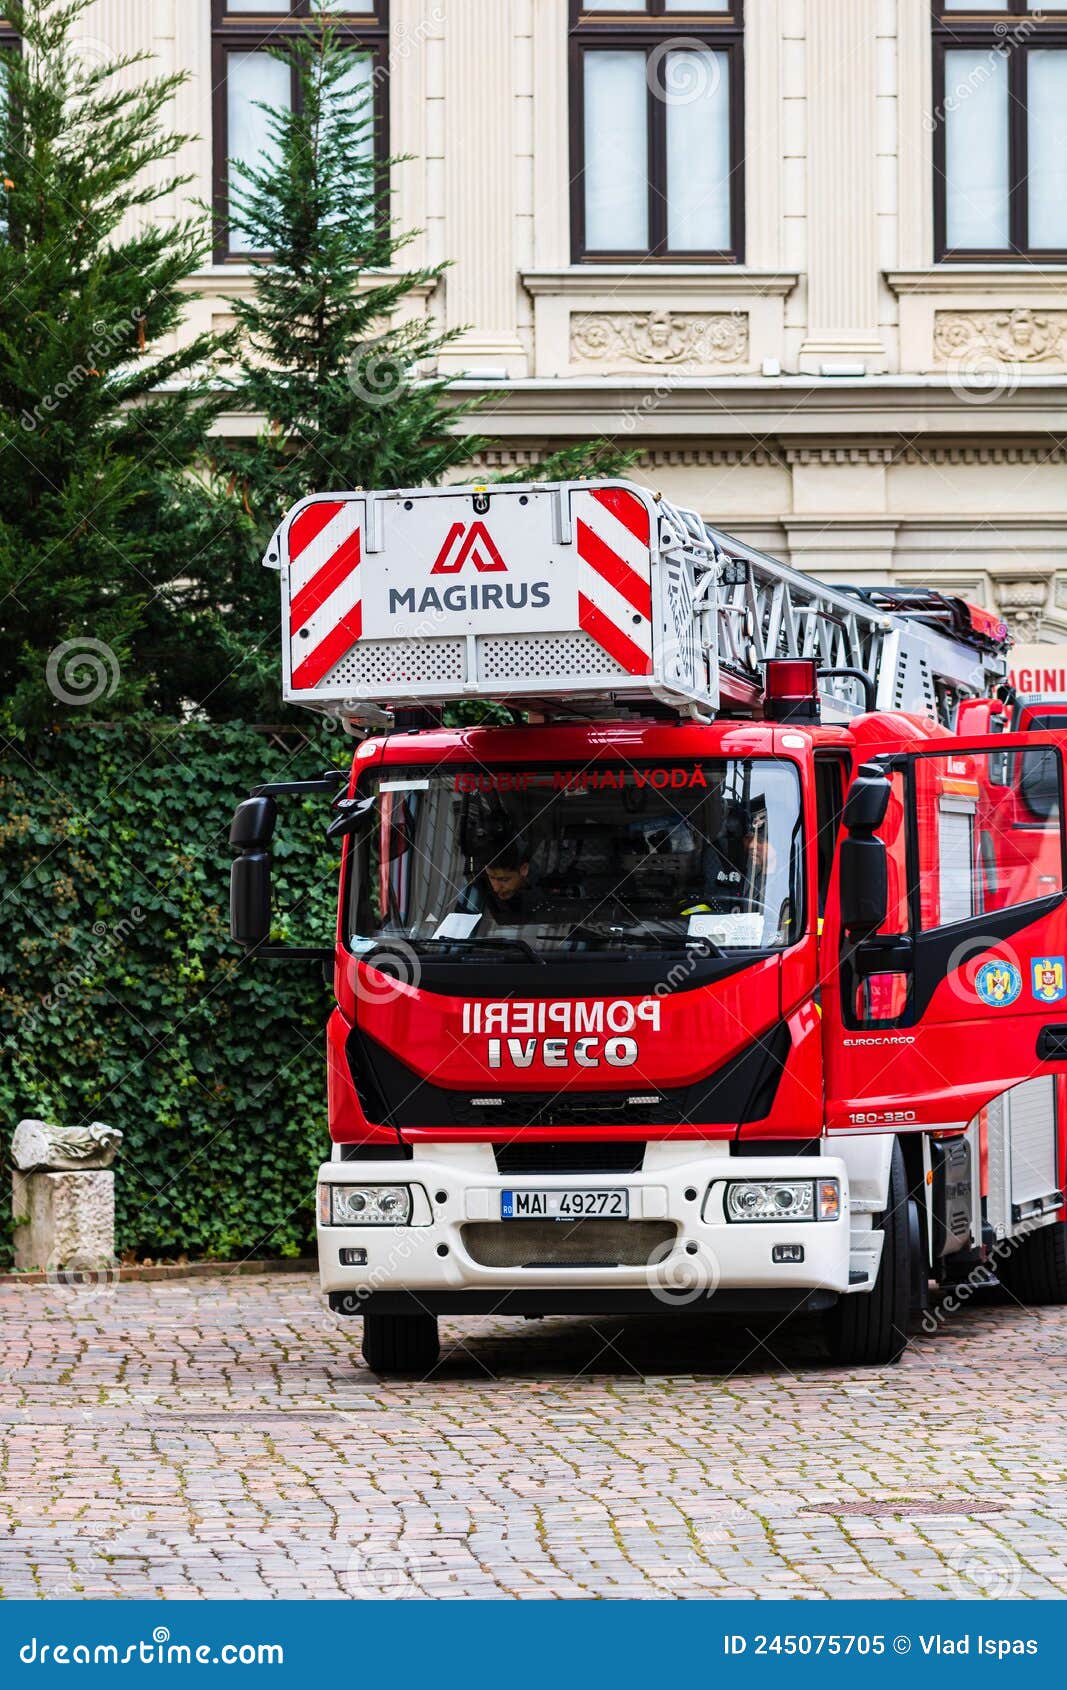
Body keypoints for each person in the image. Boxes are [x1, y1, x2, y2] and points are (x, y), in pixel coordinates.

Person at [456, 841, 536, 924]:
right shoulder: (480, 882)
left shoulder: (543, 893)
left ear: (524, 869)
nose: (496, 888)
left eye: (504, 879)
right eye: (491, 877)